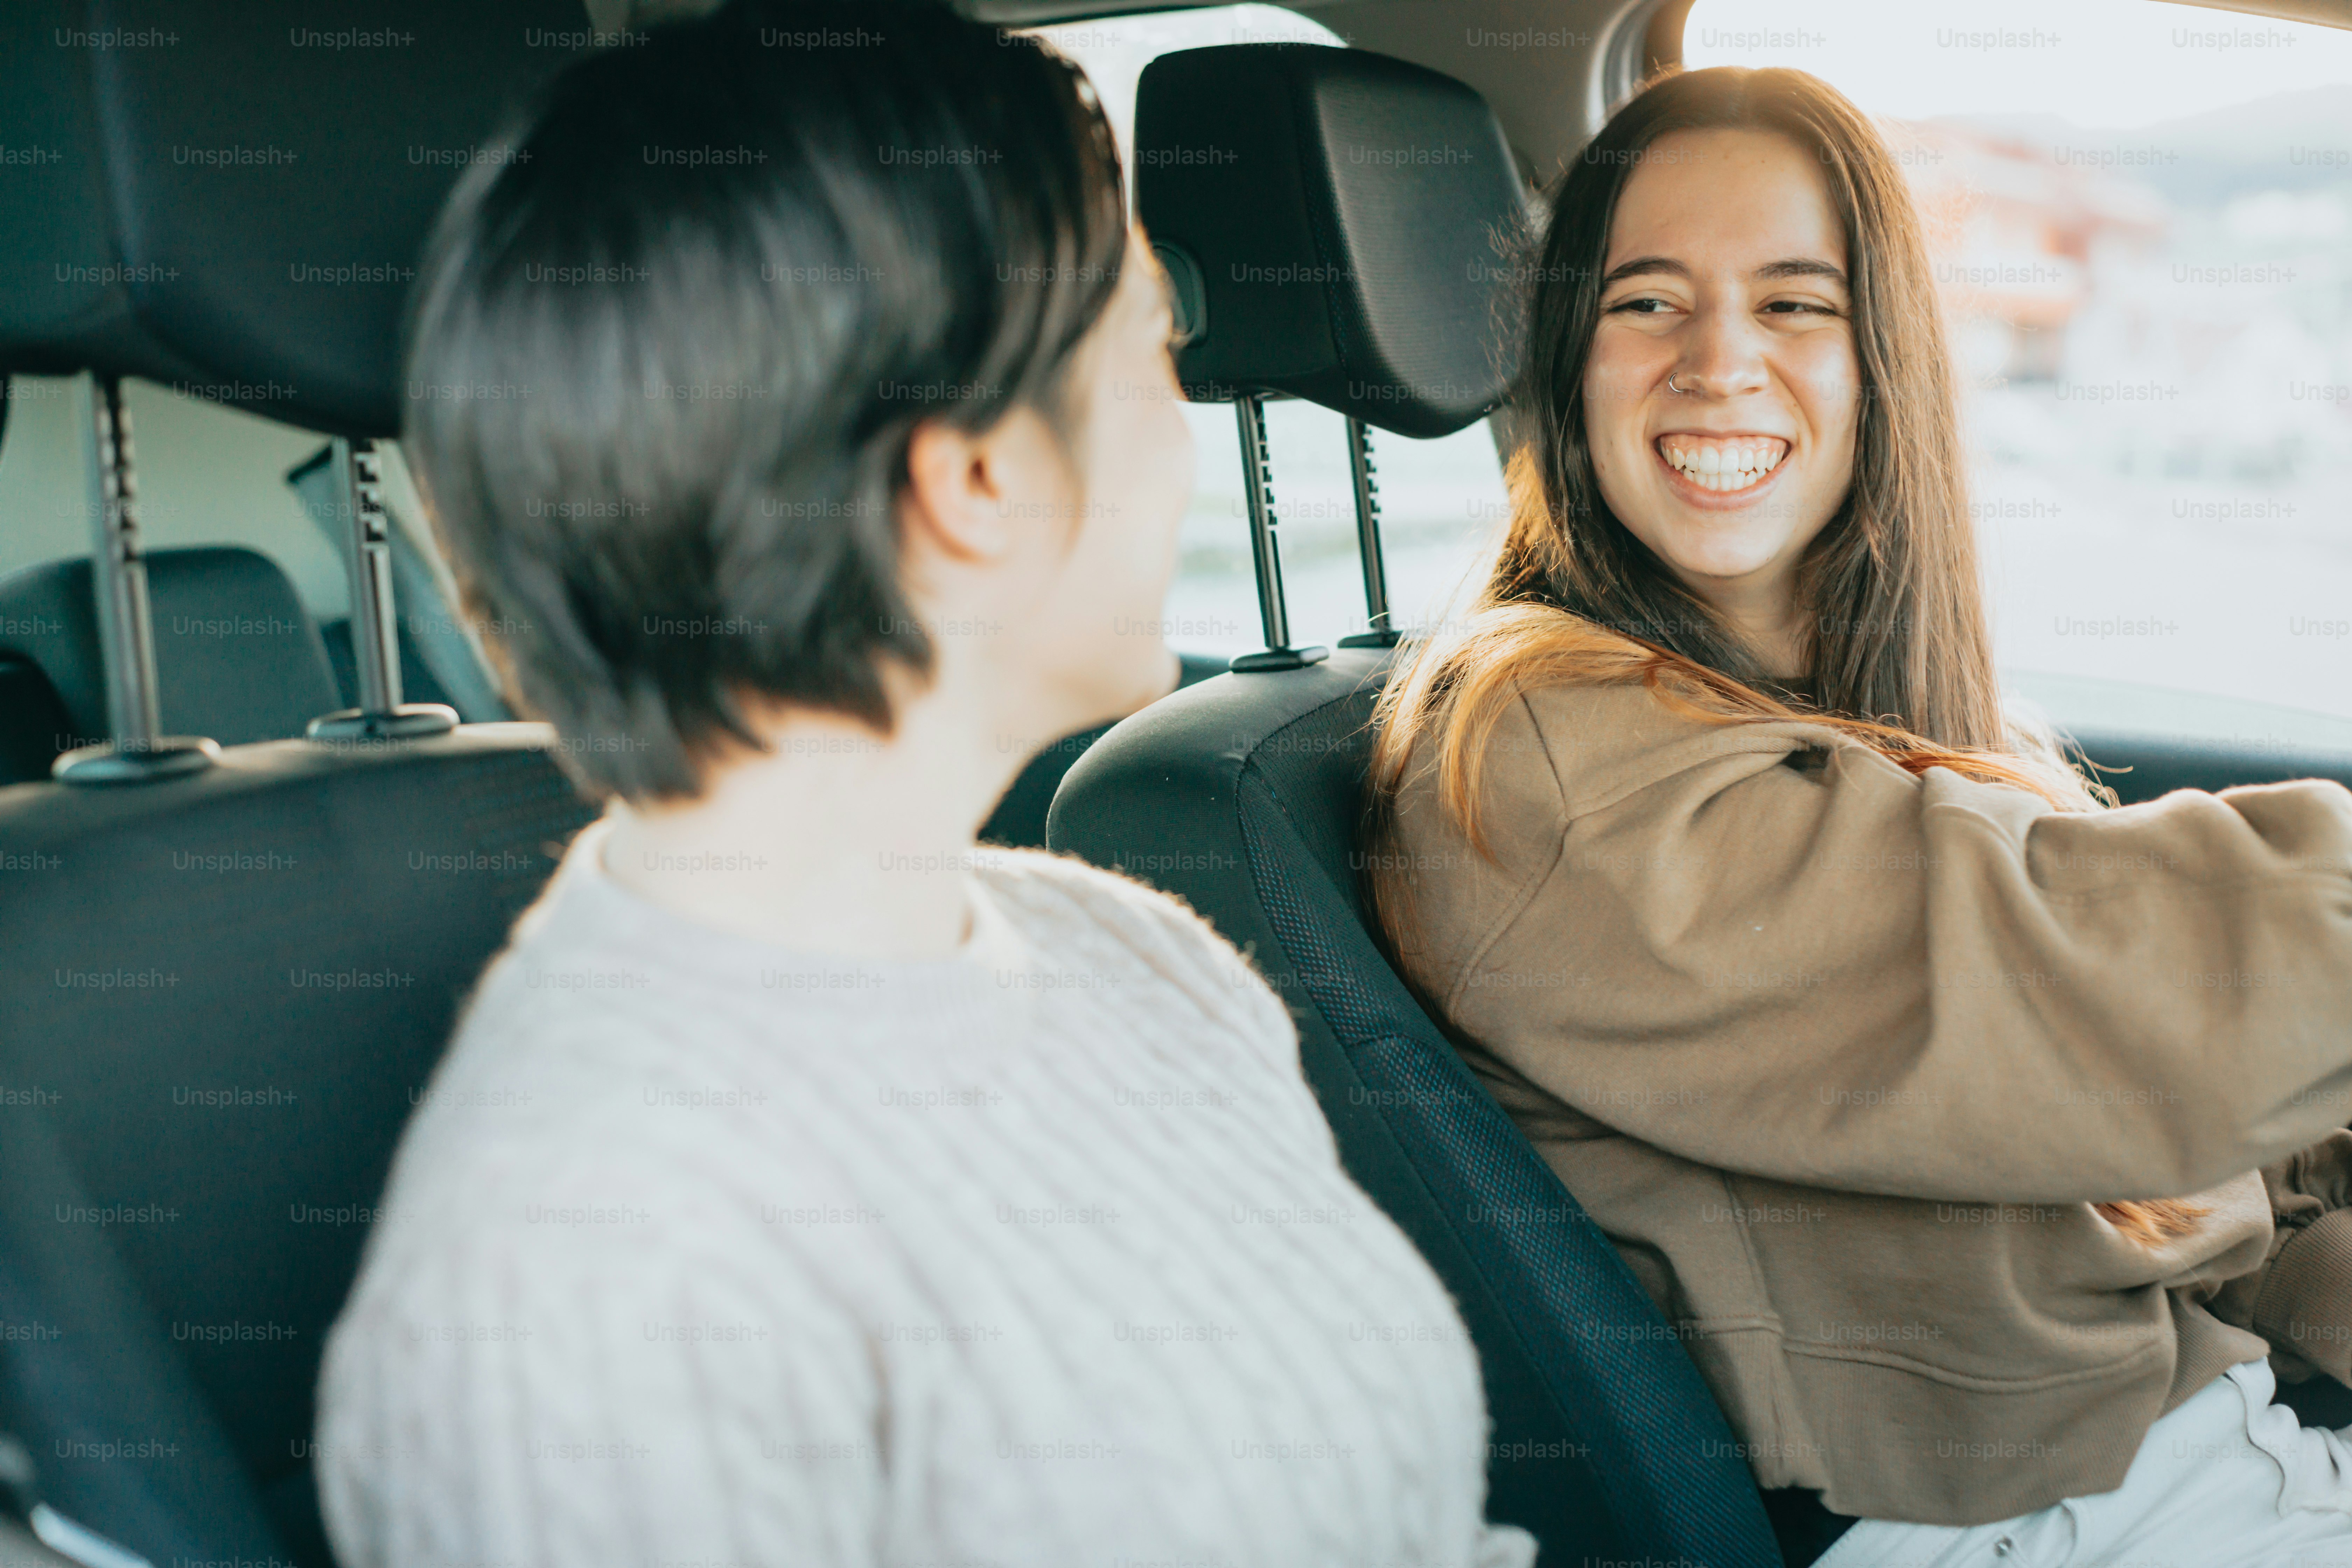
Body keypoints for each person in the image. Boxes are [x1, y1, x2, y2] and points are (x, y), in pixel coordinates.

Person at [315, 6, 1537, 1567]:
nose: (1183, 435)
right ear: (973, 484)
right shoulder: (581, 1284)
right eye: (1154, 353)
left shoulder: (1141, 958)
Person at [1364, 64, 2352, 1568]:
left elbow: (2139, 1158)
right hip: (2039, 1508)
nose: (1717, 361)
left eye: (1794, 303)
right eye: (1645, 301)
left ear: (1880, 354)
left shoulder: (1818, 701)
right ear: (1570, 361)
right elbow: (2051, 985)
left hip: (2181, 1431)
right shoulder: (1536, 753)